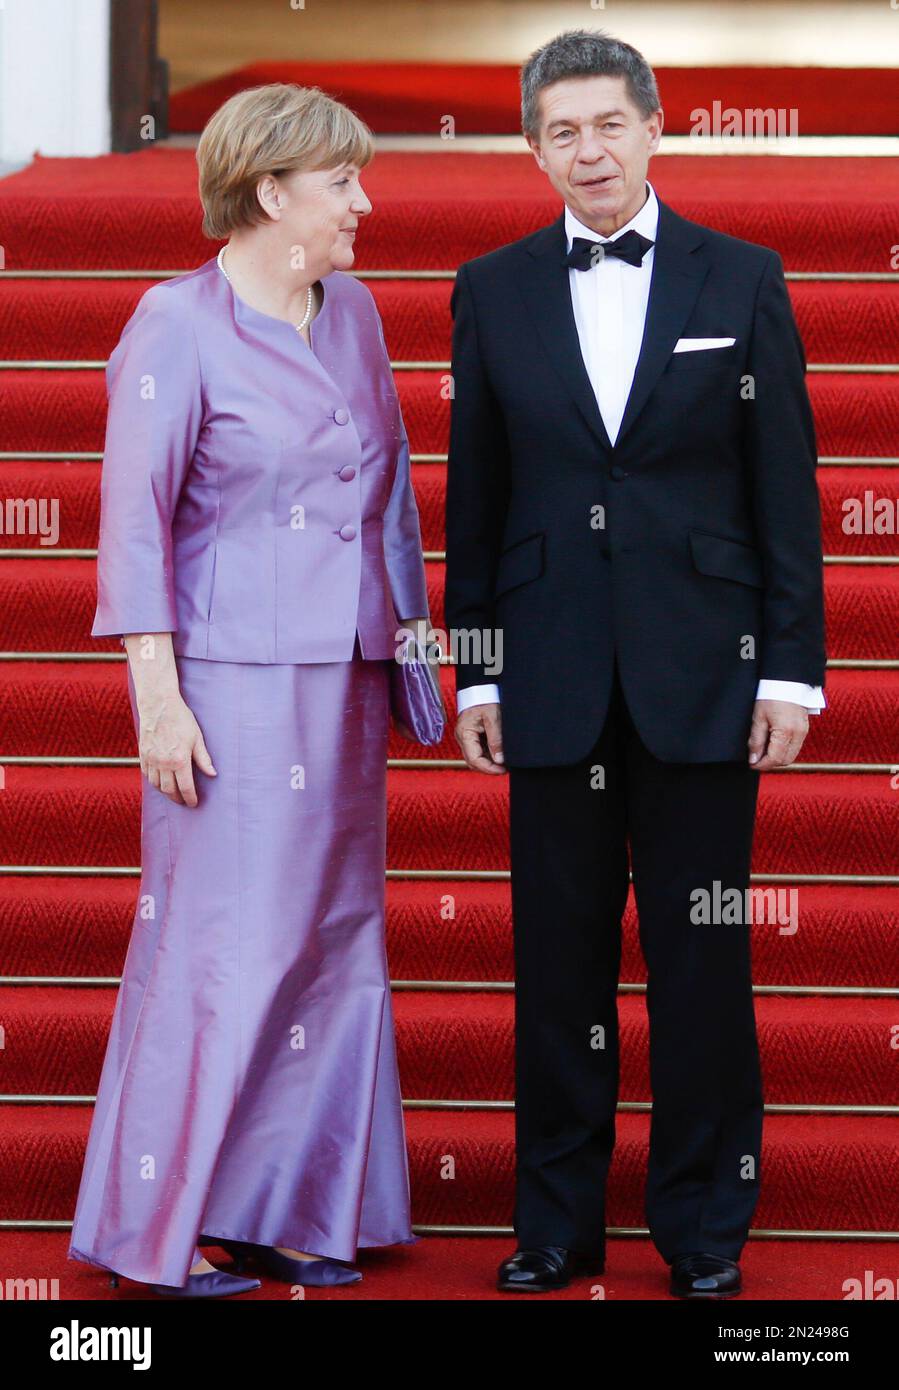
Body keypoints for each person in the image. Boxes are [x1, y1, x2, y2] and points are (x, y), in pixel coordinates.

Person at [444, 30, 826, 1299]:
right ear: (533, 145)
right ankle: (552, 1224)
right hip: (548, 676)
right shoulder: (490, 289)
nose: (587, 152)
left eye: (608, 124)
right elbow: (476, 498)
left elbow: (786, 492)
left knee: (701, 960)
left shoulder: (741, 278)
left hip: (706, 680)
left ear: (654, 129)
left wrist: (789, 670)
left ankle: (704, 1230)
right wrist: (477, 671)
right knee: (556, 966)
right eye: (561, 131)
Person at [68, 82, 433, 1297]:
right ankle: (155, 1234)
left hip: (337, 685)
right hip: (226, 688)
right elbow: (132, 527)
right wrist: (155, 701)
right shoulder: (177, 323)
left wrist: (418, 662)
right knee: (222, 953)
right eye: (342, 183)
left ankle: (284, 1209)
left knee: (332, 950)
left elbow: (389, 502)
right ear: (271, 193)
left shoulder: (357, 312)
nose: (364, 202)